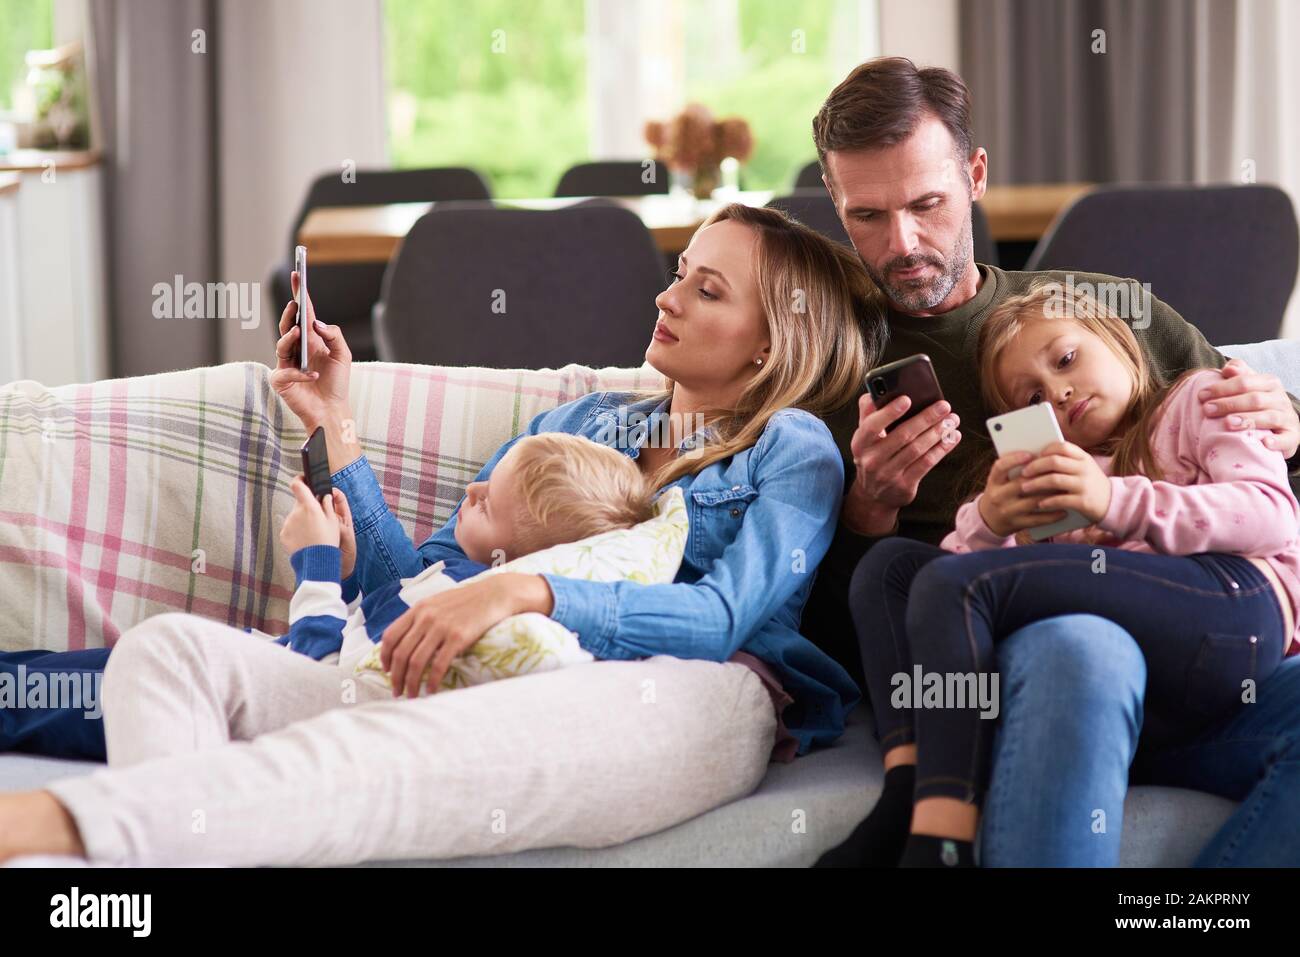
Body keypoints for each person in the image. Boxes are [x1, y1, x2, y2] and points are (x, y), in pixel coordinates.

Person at [0, 203, 887, 865]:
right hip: (482, 662)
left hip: (686, 690)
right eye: (681, 268)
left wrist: (526, 588)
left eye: (707, 287)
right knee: (166, 654)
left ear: (772, 346)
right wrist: (333, 425)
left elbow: (723, 616)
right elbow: (422, 584)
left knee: (377, 755)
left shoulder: (793, 446)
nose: (667, 294)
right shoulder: (587, 419)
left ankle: (75, 831)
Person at [802, 56, 1300, 866]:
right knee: (1081, 645)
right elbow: (830, 632)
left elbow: (1259, 475)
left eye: (927, 204)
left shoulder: (1105, 311)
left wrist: (1292, 418)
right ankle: (927, 805)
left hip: (1203, 635)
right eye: (867, 215)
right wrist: (868, 512)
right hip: (1029, 647)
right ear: (836, 203)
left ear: (975, 175)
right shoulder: (825, 367)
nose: (903, 243)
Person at [842, 282, 1300, 866]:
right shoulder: (1052, 478)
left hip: (1235, 642)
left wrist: (1113, 500)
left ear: (1120, 344)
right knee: (913, 571)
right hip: (1131, 705)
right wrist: (989, 523)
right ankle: (912, 781)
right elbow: (951, 617)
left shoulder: (1198, 400)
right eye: (1031, 398)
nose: (1058, 392)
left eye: (1066, 359)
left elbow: (1268, 515)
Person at [274, 432, 661, 693]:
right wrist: (345, 576)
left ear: (521, 557)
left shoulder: (455, 602)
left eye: (487, 503)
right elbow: (356, 639)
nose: (470, 490)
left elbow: (318, 681)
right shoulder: (454, 578)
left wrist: (316, 562)